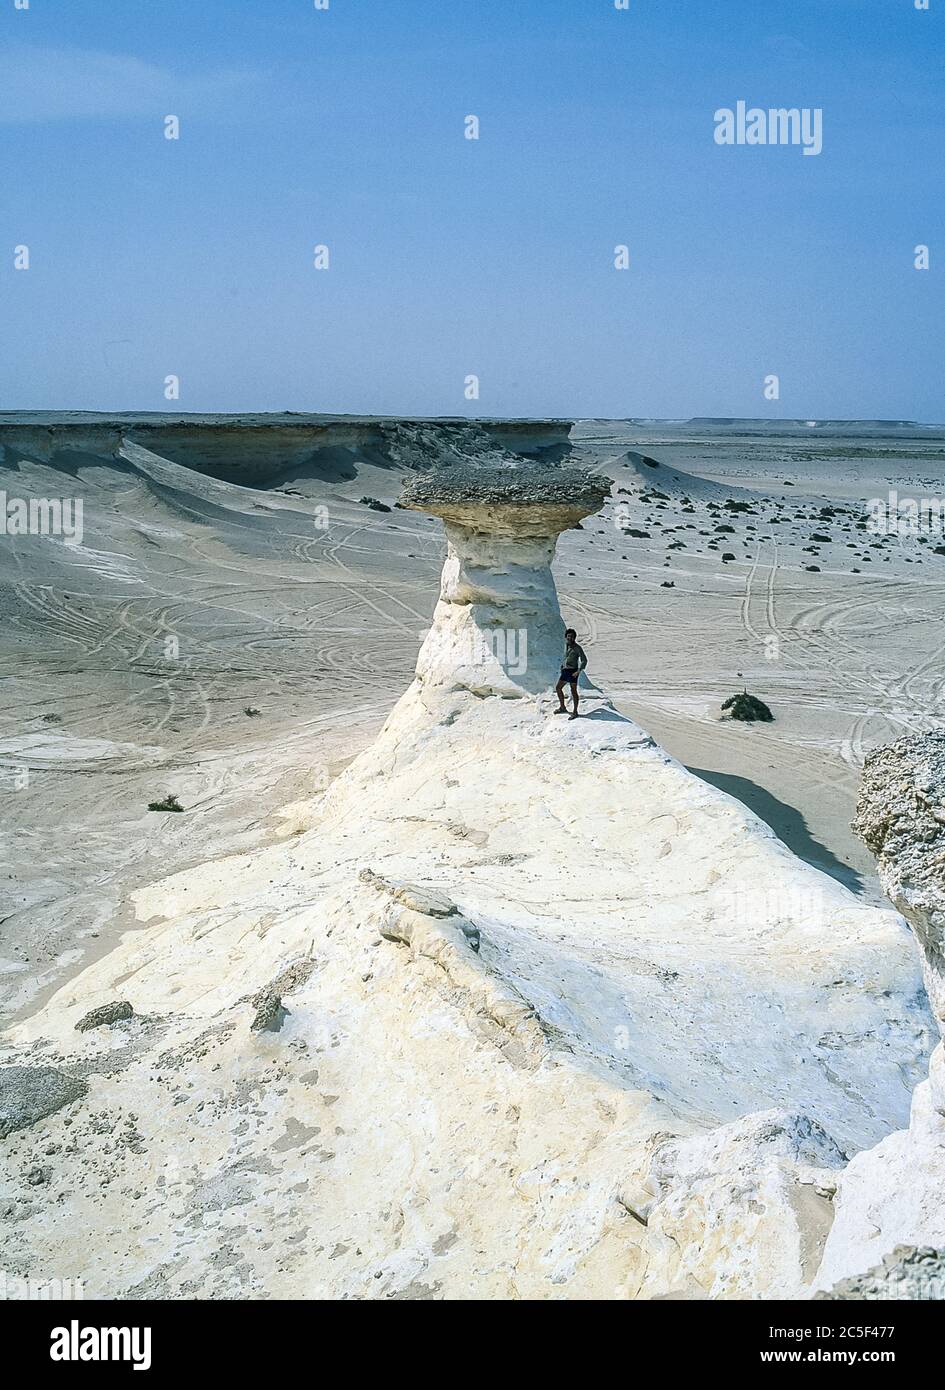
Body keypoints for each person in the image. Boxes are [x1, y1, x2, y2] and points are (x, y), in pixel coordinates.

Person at [555, 628, 587, 719]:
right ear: (566, 637)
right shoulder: (566, 645)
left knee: (573, 691)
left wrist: (579, 671)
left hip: (573, 672)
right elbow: (566, 657)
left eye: (572, 636)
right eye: (568, 636)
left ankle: (575, 711)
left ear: (574, 638)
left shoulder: (577, 648)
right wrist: (562, 665)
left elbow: (584, 660)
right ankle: (562, 707)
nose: (570, 638)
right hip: (565, 670)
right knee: (558, 688)